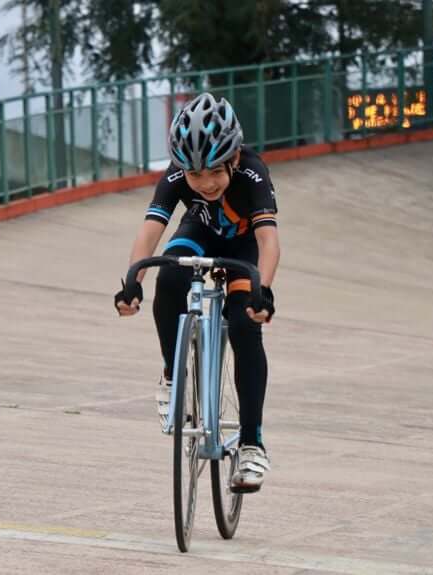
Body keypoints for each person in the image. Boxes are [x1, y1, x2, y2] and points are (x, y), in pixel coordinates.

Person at [114, 92, 279, 493]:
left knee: (243, 325)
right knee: (168, 279)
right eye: (194, 175)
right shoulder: (174, 176)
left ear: (234, 159)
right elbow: (150, 230)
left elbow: (269, 242)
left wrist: (264, 291)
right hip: (199, 234)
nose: (205, 183)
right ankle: (173, 376)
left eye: (214, 173)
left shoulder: (253, 174)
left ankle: (252, 443)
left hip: (243, 248)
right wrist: (132, 279)